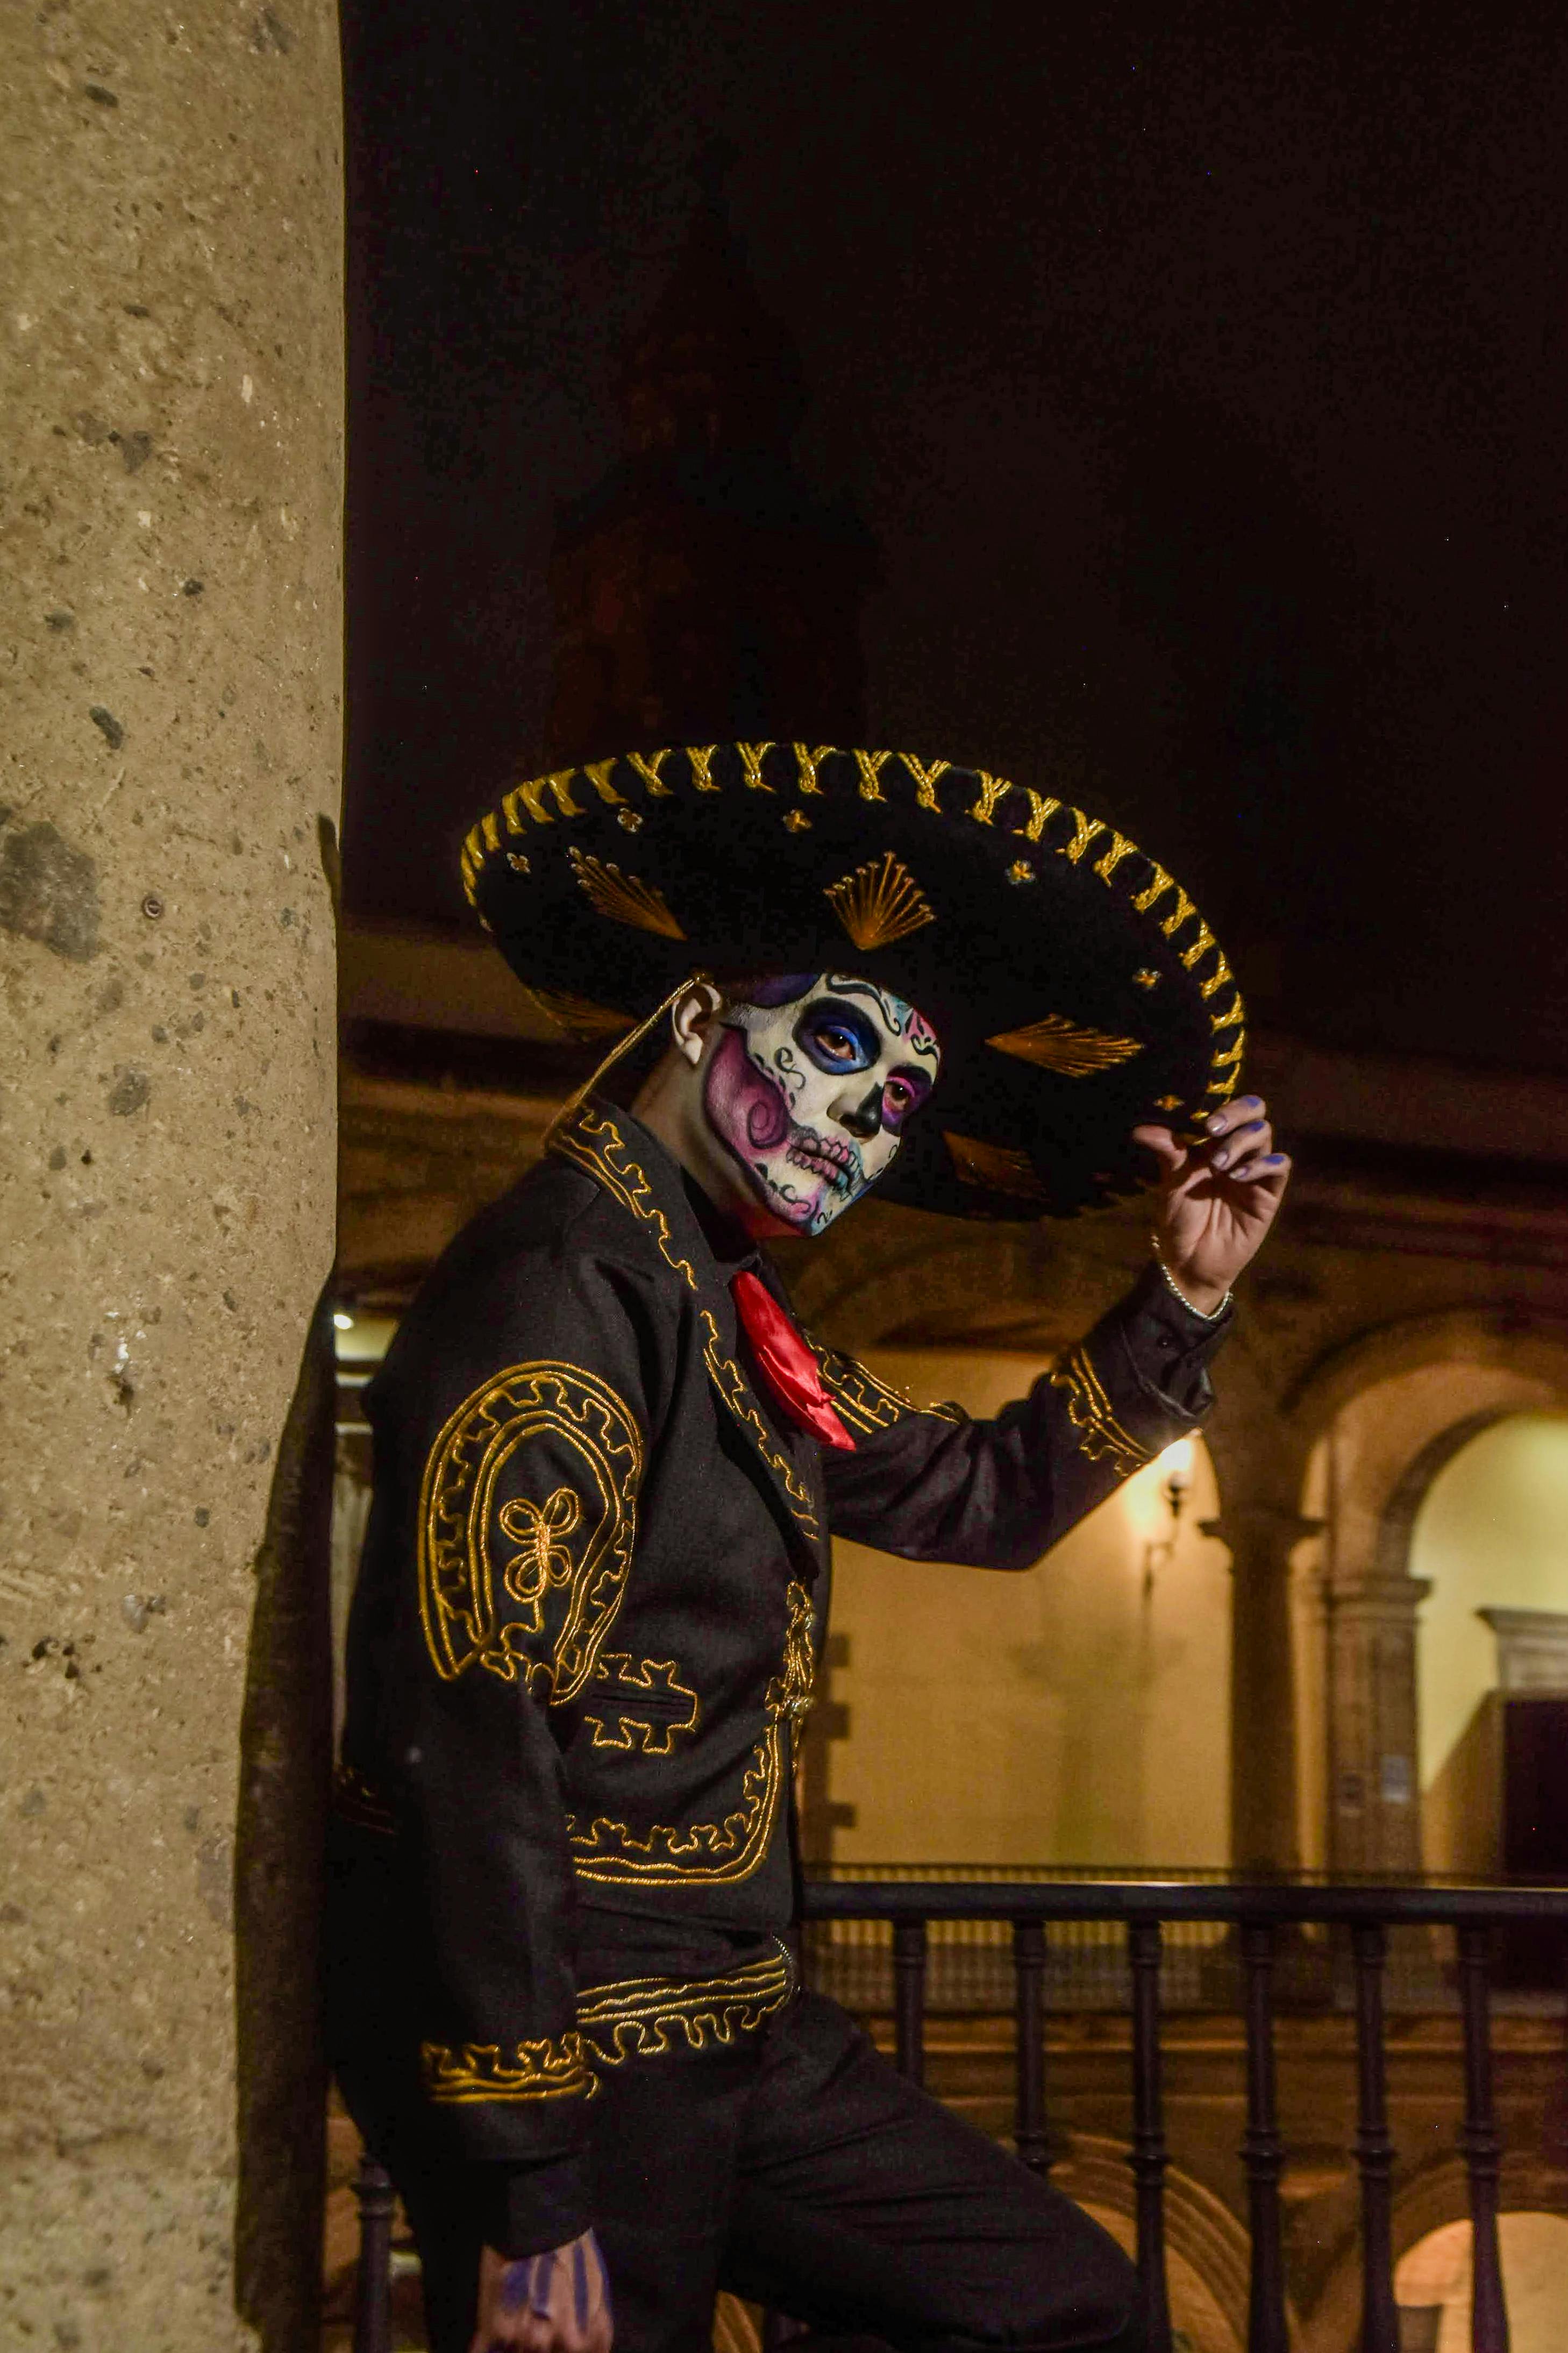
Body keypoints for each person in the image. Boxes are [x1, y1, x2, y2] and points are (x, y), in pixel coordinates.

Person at [327, 743, 1289, 2353]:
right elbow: (468, 1750)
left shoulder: (718, 1301)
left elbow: (975, 1495)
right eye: (839, 1048)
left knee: (1064, 2306)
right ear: (700, 1017)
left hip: (738, 2025)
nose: (861, 1124)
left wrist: (1185, 1293)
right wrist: (528, 2185)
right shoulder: (565, 1289)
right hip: (580, 2038)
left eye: (899, 1104)